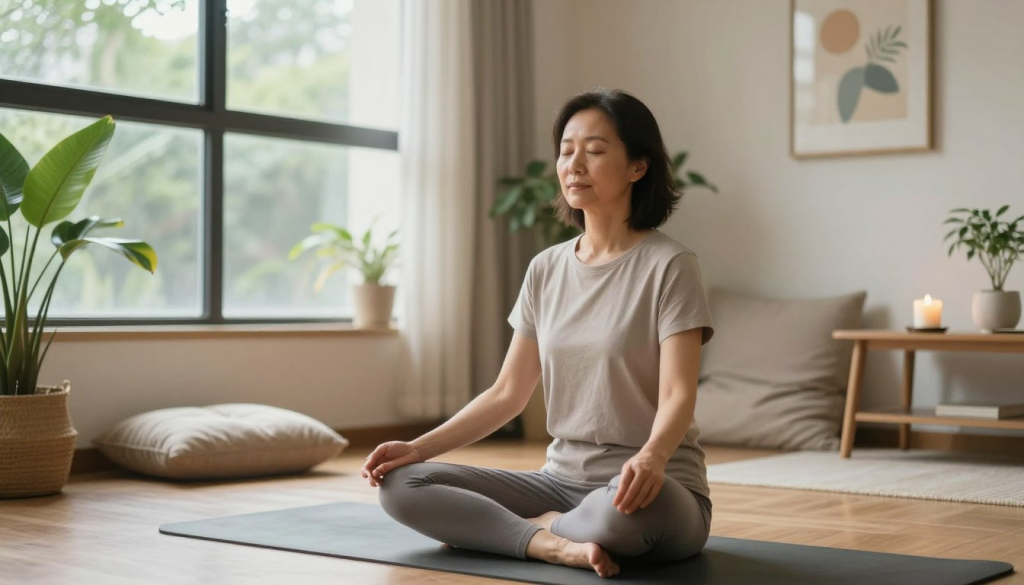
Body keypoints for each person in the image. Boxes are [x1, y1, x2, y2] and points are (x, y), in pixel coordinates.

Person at [361, 88, 715, 579]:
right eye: (566, 151)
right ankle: (551, 544)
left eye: (594, 151)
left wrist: (652, 458)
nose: (575, 165)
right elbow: (508, 393)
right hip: (558, 482)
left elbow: (679, 393)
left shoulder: (670, 265)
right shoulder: (545, 269)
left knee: (620, 517)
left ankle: (520, 530)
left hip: (649, 488)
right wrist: (417, 449)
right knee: (402, 485)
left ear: (638, 166)